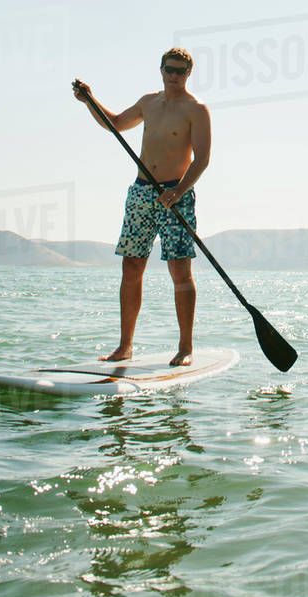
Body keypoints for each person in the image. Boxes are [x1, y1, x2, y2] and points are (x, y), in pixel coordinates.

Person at [73, 48, 211, 366]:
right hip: (141, 194)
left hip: (177, 195)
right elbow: (117, 124)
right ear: (161, 70)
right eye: (169, 70)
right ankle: (125, 347)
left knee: (180, 269)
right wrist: (90, 101)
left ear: (189, 73)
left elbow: (202, 159)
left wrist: (178, 191)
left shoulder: (197, 110)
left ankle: (186, 348)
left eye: (180, 71)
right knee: (131, 268)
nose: (174, 76)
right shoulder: (149, 103)